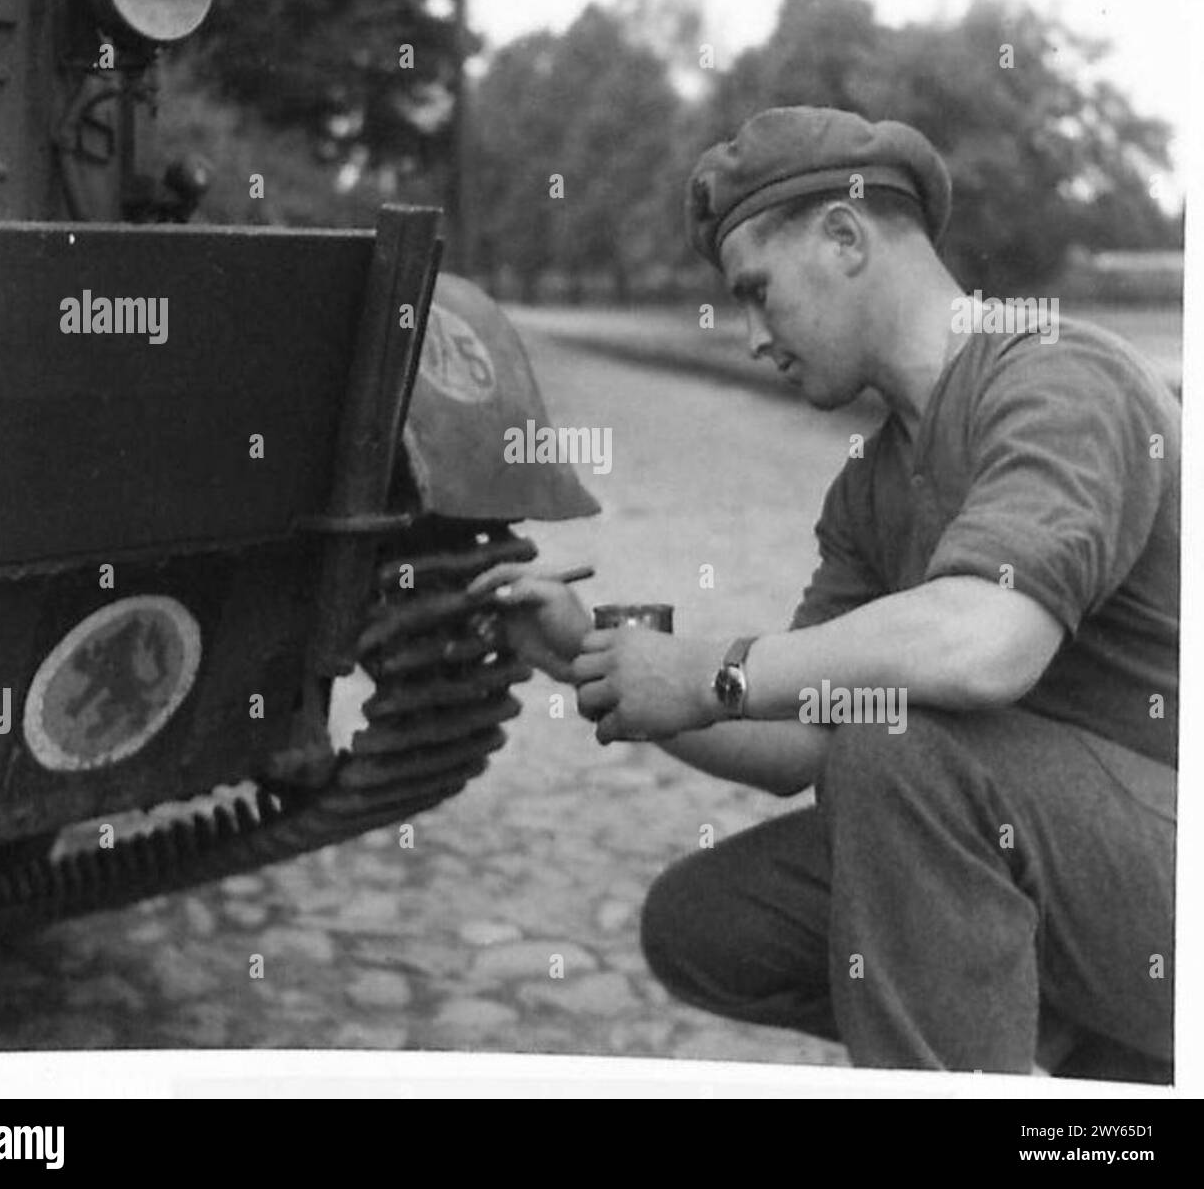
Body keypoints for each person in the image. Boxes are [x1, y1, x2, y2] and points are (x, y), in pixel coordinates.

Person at [468, 106, 1178, 1081]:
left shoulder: (1058, 379)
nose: (753, 336)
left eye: (757, 292)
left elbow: (985, 639)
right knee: (708, 921)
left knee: (902, 753)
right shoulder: (870, 489)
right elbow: (800, 737)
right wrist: (581, 654)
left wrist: (717, 670)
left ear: (844, 236)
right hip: (1069, 870)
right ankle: (1049, 1046)